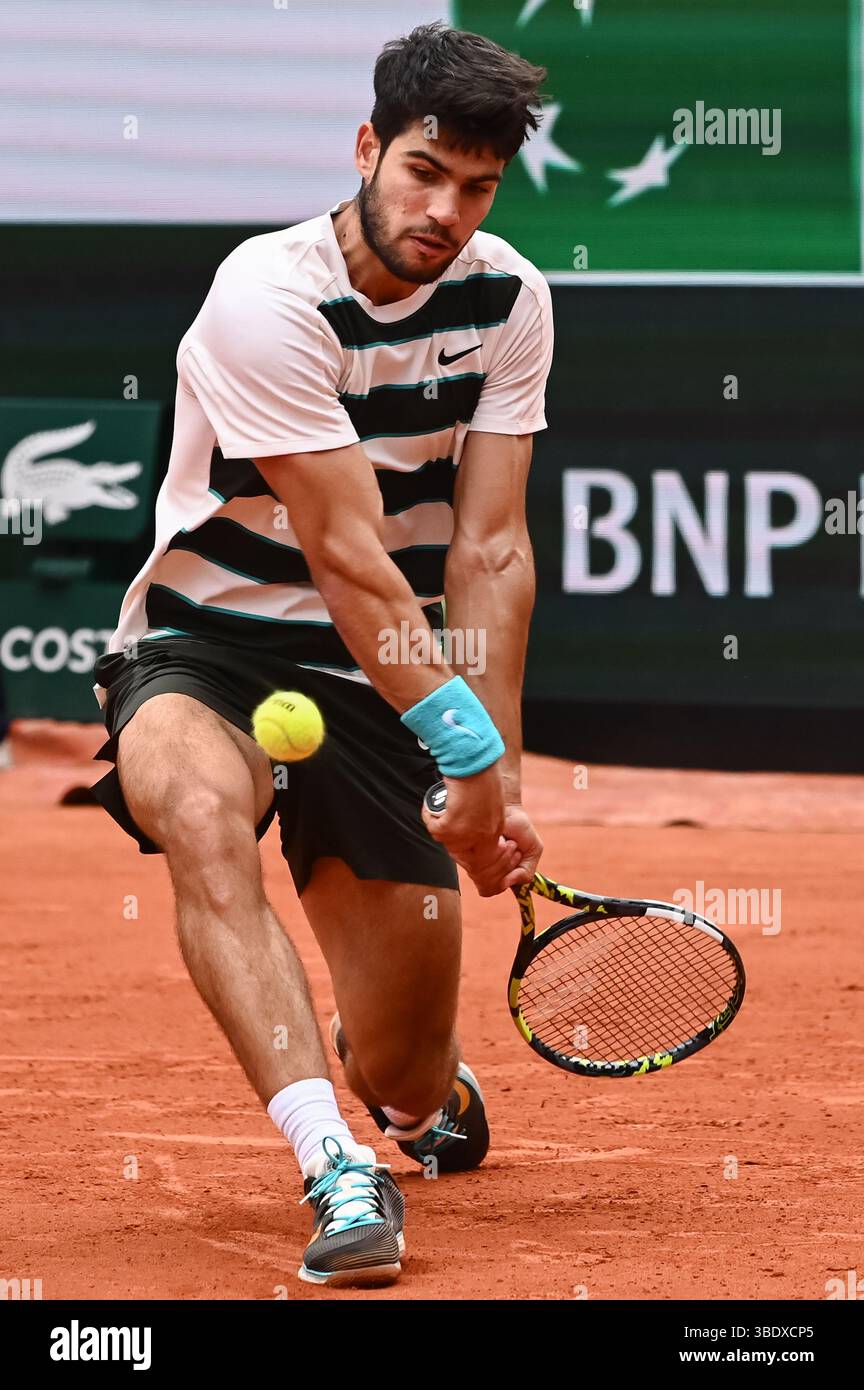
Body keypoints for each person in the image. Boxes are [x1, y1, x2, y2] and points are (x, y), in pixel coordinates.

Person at [90, 21, 553, 1287]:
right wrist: (461, 742)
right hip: (205, 645)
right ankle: (334, 1162)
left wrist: (493, 771)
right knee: (195, 804)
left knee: (406, 1064)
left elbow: (491, 553)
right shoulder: (268, 297)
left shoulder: (511, 298)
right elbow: (350, 558)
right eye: (422, 172)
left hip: (371, 682)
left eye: (476, 187)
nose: (446, 211)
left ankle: (404, 1098)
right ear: (366, 148)